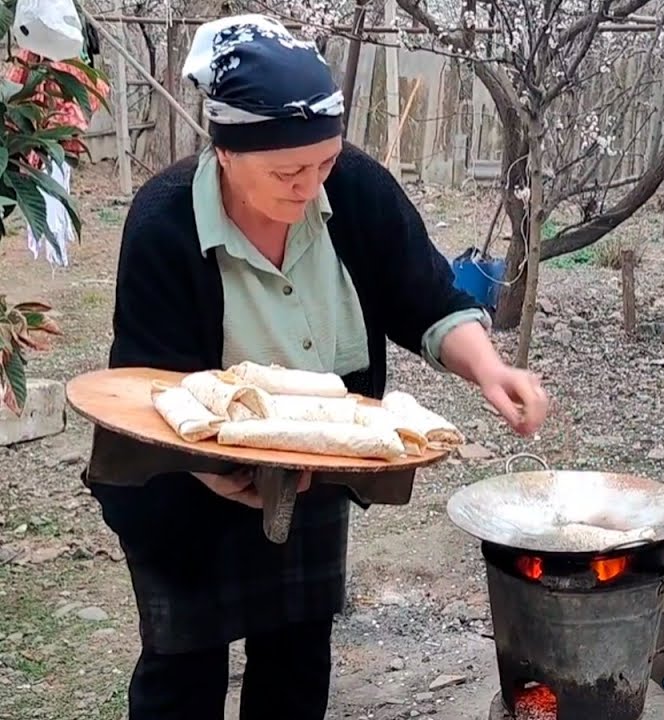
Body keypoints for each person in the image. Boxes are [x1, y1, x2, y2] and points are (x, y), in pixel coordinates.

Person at [82, 13, 548, 720]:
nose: (309, 187)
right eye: (287, 171)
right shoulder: (164, 224)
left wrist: (489, 370)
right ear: (226, 152)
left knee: (297, 662)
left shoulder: (355, 188)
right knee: (183, 671)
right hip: (183, 485)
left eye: (323, 163)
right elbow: (152, 395)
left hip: (313, 468)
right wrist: (220, 470)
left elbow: (424, 293)